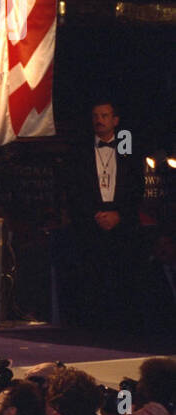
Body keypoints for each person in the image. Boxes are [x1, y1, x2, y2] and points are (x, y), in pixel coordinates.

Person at [63, 99, 144, 331]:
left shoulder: (128, 150)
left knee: (123, 275)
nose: (99, 120)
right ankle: (93, 327)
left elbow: (136, 188)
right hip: (91, 223)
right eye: (96, 116)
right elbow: (74, 190)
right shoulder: (80, 152)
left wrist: (119, 214)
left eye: (105, 115)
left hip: (123, 223)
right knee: (92, 277)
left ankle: (125, 327)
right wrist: (94, 215)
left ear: (115, 121)